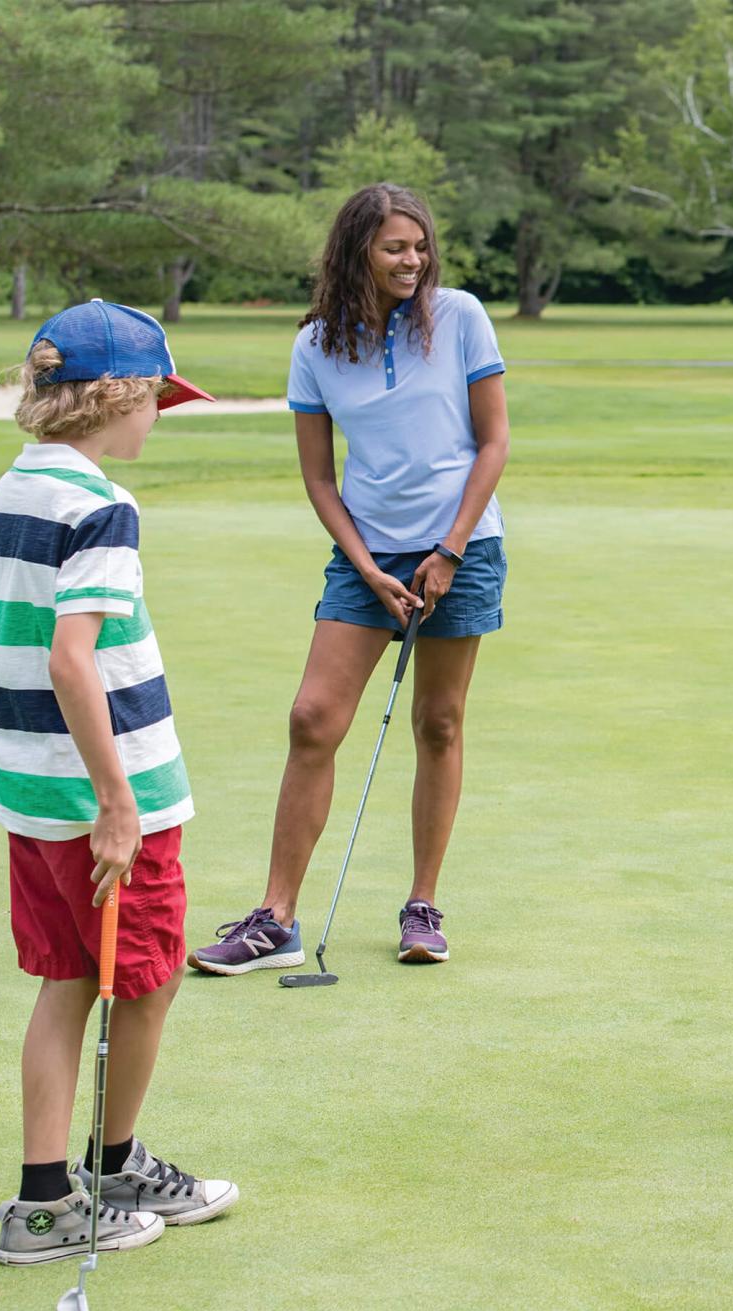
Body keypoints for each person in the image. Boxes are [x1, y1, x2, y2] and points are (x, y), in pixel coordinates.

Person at [191, 183, 510, 975]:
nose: (413, 260)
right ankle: (276, 918)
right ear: (356, 251)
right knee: (313, 718)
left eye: (421, 245)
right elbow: (320, 479)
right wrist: (367, 568)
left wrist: (449, 549)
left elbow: (494, 443)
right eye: (395, 247)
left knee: (438, 722)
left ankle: (422, 905)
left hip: (460, 547)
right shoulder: (315, 347)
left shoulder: (462, 316)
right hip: (364, 554)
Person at [0, 301, 240, 1264]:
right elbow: (70, 660)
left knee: (67, 981)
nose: (159, 417)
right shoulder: (102, 503)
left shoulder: (18, 484)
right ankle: (111, 1167)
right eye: (157, 399)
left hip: (32, 791)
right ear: (114, 396)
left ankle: (44, 1198)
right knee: (147, 976)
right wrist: (119, 803)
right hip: (105, 793)